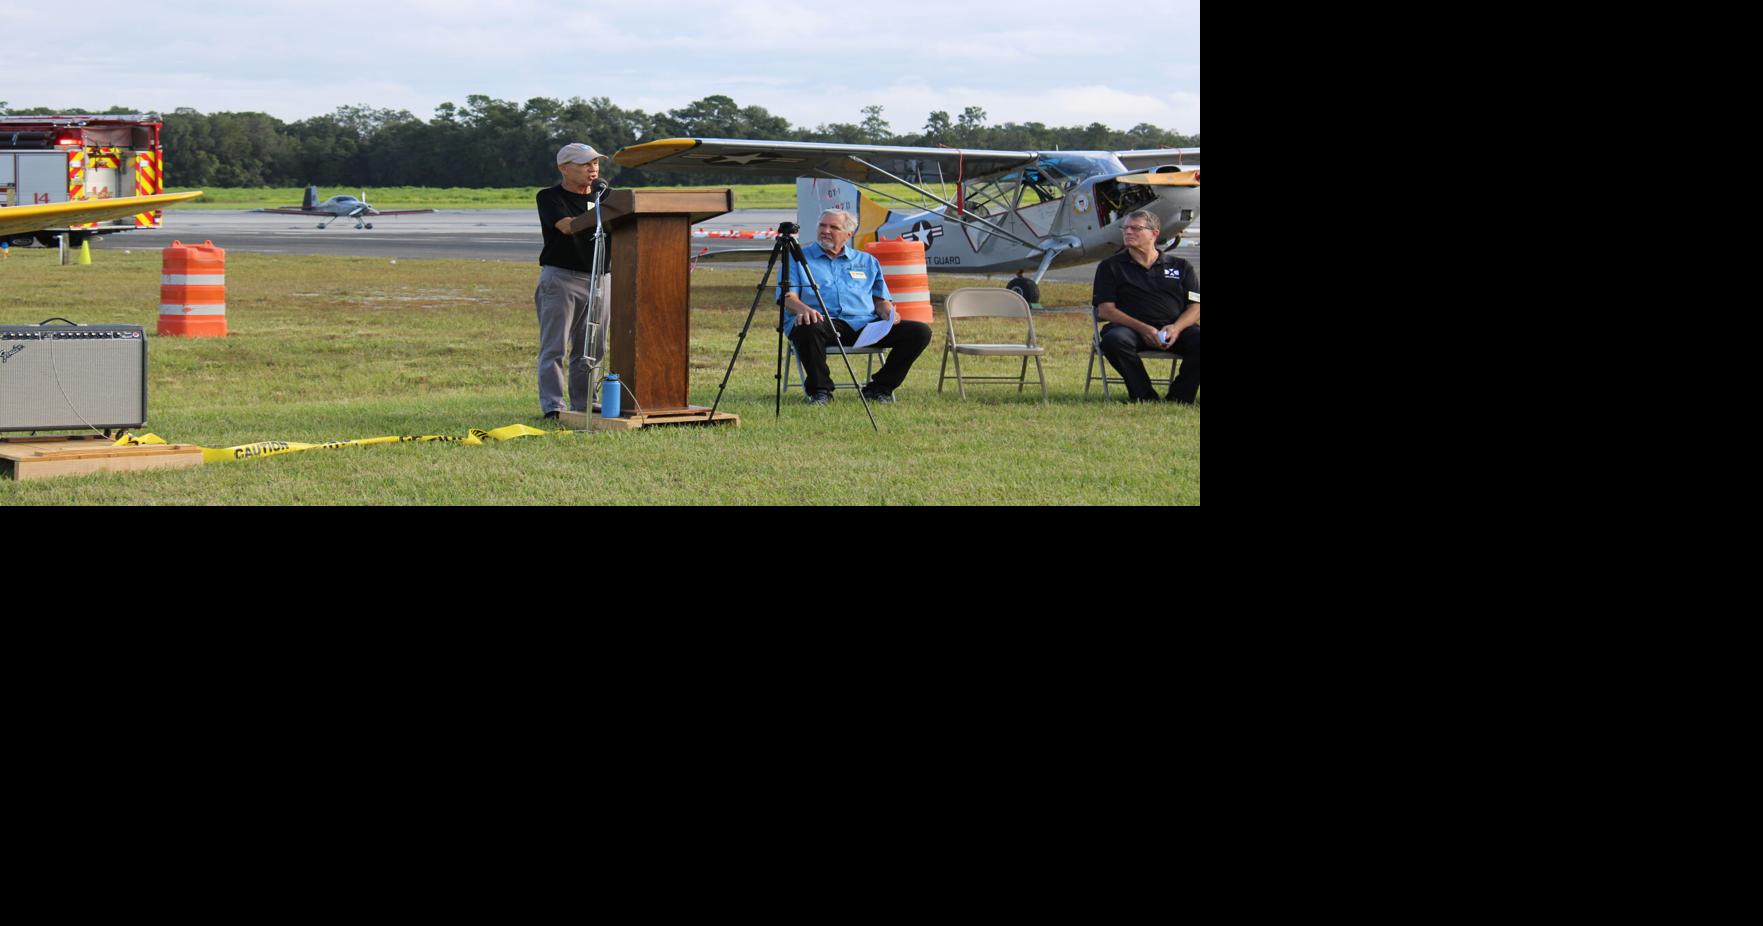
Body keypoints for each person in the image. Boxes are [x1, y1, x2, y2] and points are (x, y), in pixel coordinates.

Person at [780, 209, 932, 406]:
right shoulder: (797, 258)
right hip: (823, 322)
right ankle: (821, 391)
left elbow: (880, 300)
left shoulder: (867, 261)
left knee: (919, 331)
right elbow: (788, 297)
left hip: (864, 325)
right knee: (808, 326)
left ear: (848, 234)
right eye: (822, 225)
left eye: (833, 227)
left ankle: (878, 389)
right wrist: (804, 309)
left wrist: (888, 312)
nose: (825, 230)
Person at [532, 142, 610, 420]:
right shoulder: (549, 197)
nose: (593, 169)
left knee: (593, 345)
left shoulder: (605, 196)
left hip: (601, 278)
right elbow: (566, 226)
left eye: (596, 163)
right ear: (564, 168)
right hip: (562, 278)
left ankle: (586, 402)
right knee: (555, 346)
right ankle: (554, 406)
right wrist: (603, 211)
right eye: (585, 164)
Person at [1091, 209, 1201, 404]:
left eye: (1136, 228)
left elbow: (1196, 306)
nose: (1128, 232)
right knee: (1114, 341)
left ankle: (1180, 397)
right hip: (1129, 330)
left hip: (1174, 329)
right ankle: (1144, 395)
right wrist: (1145, 329)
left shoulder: (1181, 266)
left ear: (1154, 233)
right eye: (1125, 228)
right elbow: (1105, 310)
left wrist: (1176, 328)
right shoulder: (1111, 266)